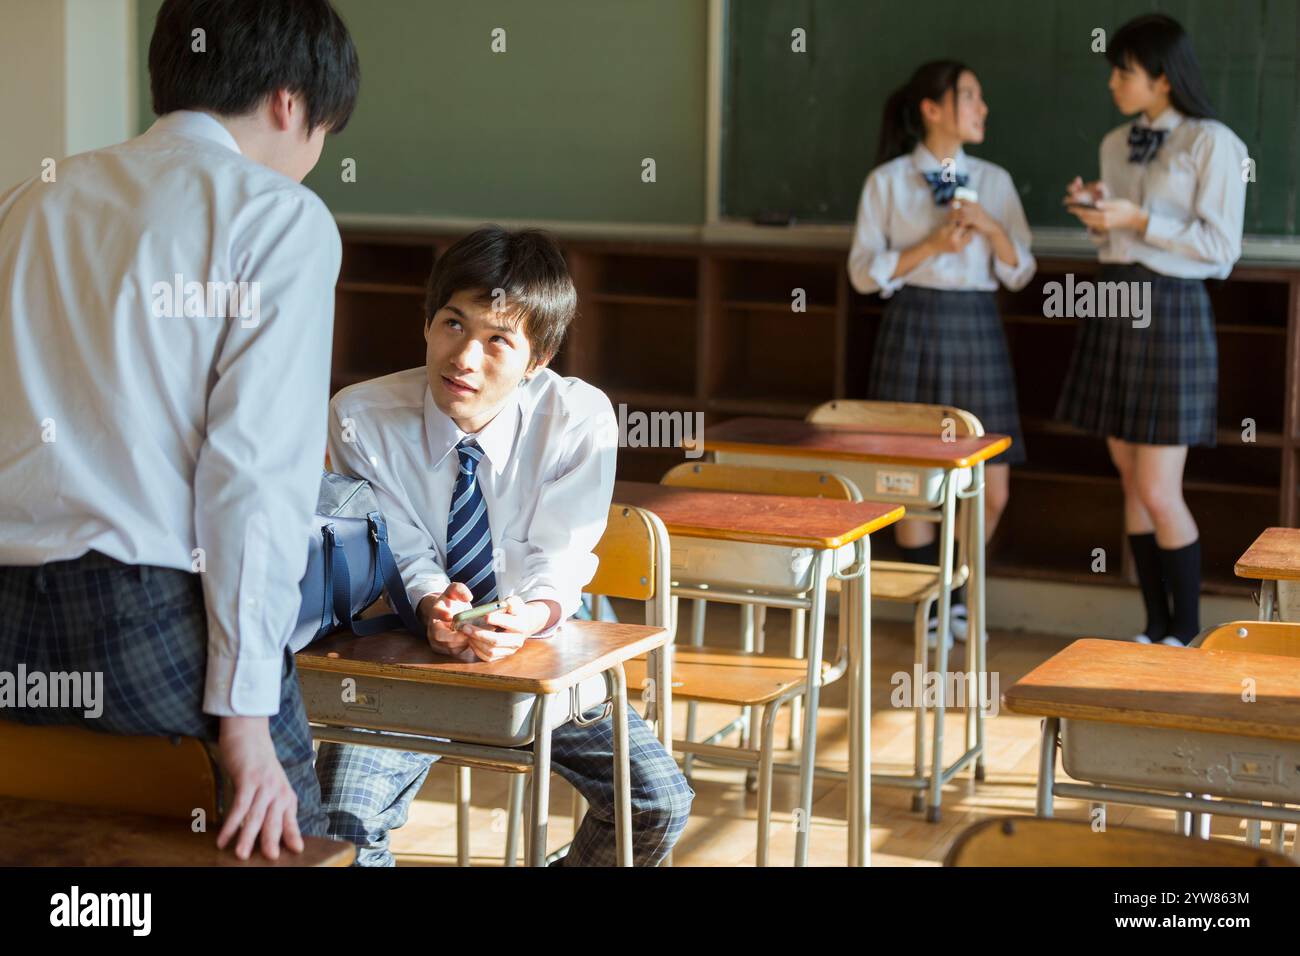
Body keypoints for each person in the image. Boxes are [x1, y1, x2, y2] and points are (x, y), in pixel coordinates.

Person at [0, 0, 359, 860]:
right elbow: (255, 478)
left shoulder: (30, 199)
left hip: (9, 613)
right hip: (152, 618)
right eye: (325, 134)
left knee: (60, 872)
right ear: (289, 102)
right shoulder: (277, 216)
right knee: (287, 845)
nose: (312, 162)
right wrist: (244, 720)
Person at [315, 226, 694, 866]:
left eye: (498, 340)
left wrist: (530, 617)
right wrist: (435, 603)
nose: (465, 358)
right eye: (453, 325)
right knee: (340, 828)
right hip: (411, 648)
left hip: (547, 645)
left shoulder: (578, 418)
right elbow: (400, 548)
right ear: (427, 324)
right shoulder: (362, 415)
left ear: (538, 357)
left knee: (654, 802)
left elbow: (562, 558)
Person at [1058, 13, 1247, 646]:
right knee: (1127, 474)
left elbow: (1220, 250)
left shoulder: (1212, 143)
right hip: (1116, 298)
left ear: (1163, 79)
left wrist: (1140, 220)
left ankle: (1189, 635)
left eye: (1125, 72)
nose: (1113, 82)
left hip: (1171, 308)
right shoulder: (1116, 142)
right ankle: (1154, 627)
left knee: (1158, 486)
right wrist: (1099, 217)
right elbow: (1119, 241)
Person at [848, 60, 1036, 646]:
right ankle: (929, 604)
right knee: (910, 480)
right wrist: (929, 245)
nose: (982, 109)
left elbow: (1021, 270)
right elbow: (862, 275)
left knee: (993, 487)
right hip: (914, 322)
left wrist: (991, 227)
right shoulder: (887, 181)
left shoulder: (997, 181)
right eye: (970, 98)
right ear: (932, 109)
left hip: (977, 325)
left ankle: (956, 594)